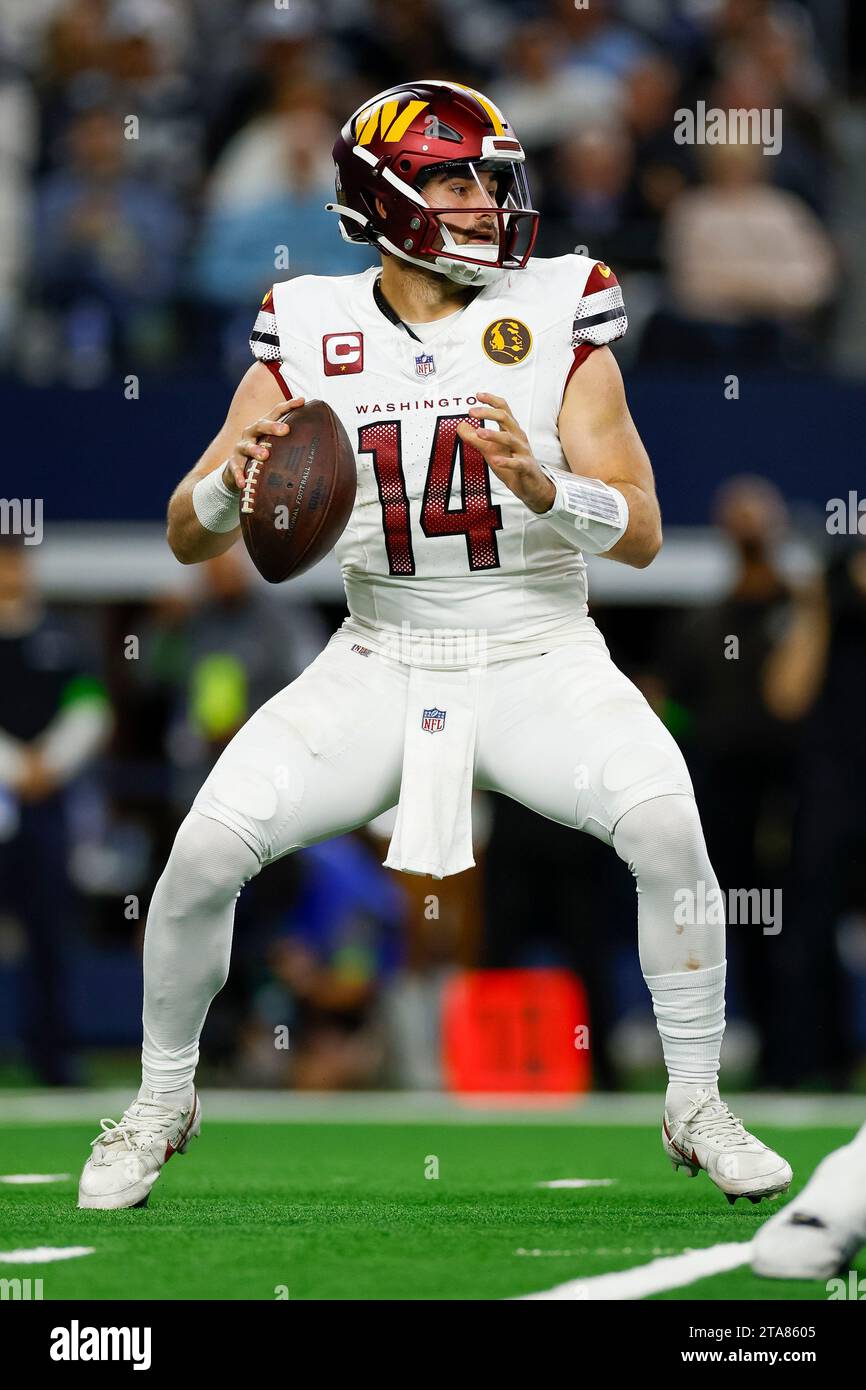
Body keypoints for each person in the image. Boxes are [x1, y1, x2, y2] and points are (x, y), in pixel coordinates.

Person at [78, 79, 791, 1211]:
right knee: (201, 857)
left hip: (537, 648)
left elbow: (644, 530)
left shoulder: (558, 303)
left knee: (667, 827)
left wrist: (545, 485)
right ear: (384, 201)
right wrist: (231, 481)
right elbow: (184, 532)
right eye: (456, 180)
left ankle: (695, 1101)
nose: (483, 202)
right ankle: (161, 1102)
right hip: (380, 653)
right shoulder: (306, 322)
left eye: (487, 180)